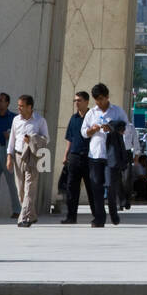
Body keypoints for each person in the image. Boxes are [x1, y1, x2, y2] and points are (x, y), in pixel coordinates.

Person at [83, 83, 130, 227]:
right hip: (96, 154)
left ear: (107, 97)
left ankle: (113, 211)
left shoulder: (117, 111)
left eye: (101, 99)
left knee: (110, 186)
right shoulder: (91, 113)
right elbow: (84, 132)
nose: (99, 102)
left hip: (112, 154)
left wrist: (112, 128)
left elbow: (127, 128)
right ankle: (99, 217)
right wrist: (93, 129)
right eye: (96, 99)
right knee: (96, 186)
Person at [6, 95, 49, 227]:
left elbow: (46, 139)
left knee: (30, 187)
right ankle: (32, 214)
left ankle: (23, 217)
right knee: (20, 190)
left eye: (21, 106)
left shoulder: (40, 121)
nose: (19, 108)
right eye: (18, 105)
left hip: (33, 157)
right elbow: (12, 139)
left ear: (30, 107)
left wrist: (32, 139)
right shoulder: (15, 120)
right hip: (18, 156)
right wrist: (9, 156)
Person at [61, 91, 93, 223]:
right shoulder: (73, 119)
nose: (76, 103)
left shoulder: (93, 117)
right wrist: (66, 155)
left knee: (92, 187)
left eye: (79, 100)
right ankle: (71, 217)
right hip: (74, 156)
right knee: (71, 188)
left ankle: (97, 216)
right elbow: (70, 138)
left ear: (86, 102)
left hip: (90, 156)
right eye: (75, 100)